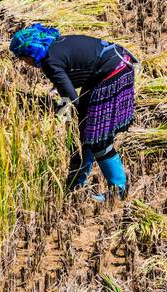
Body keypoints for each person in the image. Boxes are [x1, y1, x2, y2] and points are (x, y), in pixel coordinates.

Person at [10, 24, 136, 201]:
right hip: (119, 61)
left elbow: (69, 98)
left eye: (23, 58)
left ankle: (119, 190)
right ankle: (77, 184)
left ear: (30, 53)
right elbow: (78, 67)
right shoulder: (57, 45)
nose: (25, 64)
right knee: (86, 132)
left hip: (112, 72)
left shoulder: (49, 60)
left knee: (97, 138)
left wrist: (67, 120)